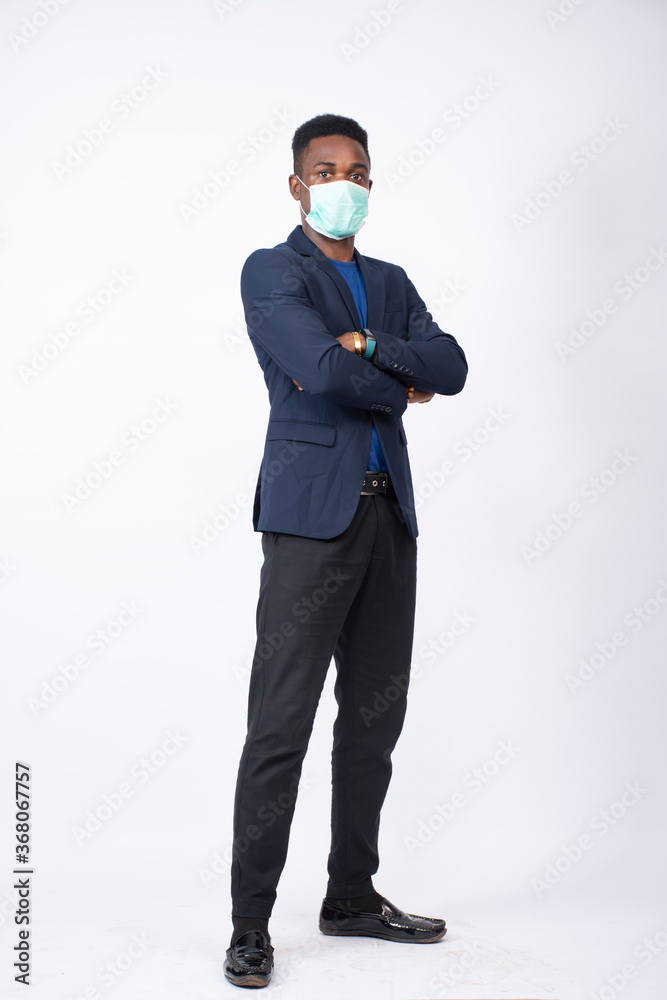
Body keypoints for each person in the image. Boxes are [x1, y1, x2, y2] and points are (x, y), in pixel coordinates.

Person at [224, 113, 468, 989]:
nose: (343, 183)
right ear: (296, 186)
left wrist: (374, 346)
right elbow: (322, 375)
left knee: (372, 724)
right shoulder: (271, 271)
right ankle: (250, 923)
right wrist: (394, 384)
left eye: (357, 170)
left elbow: (452, 364)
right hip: (306, 521)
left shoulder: (390, 280)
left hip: (385, 521)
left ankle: (351, 897)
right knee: (279, 727)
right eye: (324, 170)